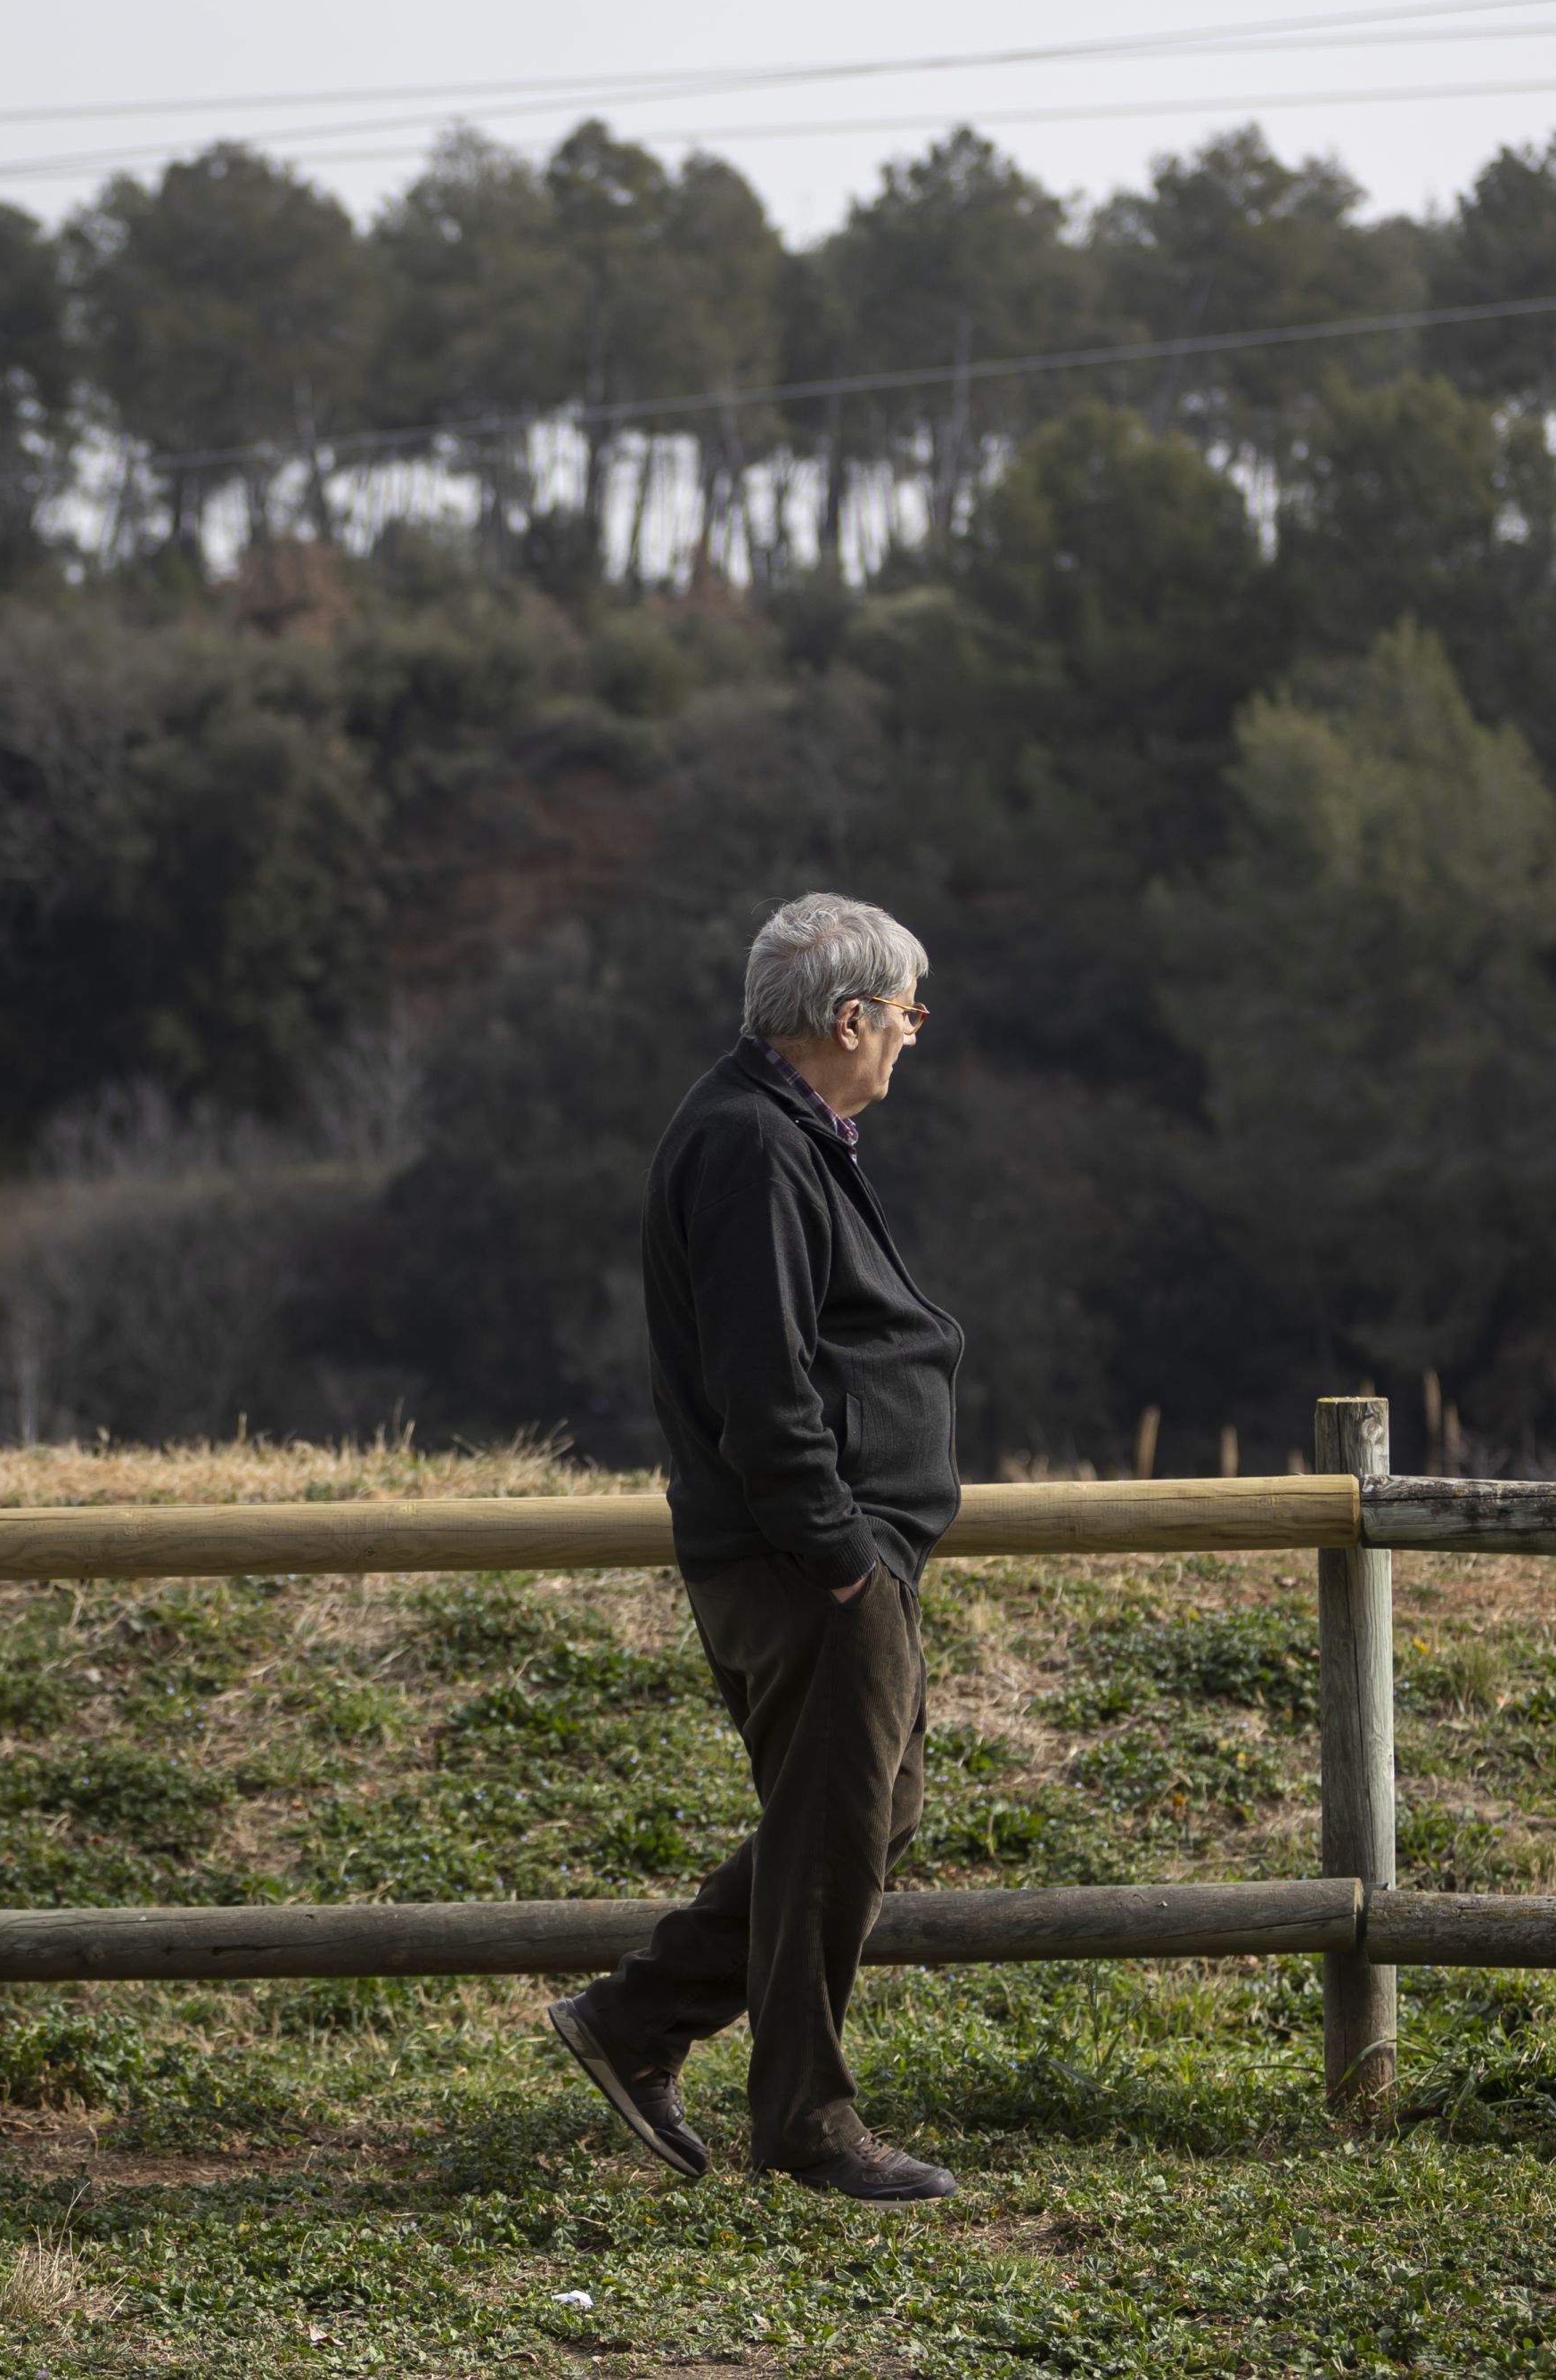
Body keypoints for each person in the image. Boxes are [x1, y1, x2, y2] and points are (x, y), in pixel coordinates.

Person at [545, 891, 966, 2204]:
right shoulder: (755, 1147)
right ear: (849, 1018)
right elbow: (765, 1385)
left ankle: (638, 2020)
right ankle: (804, 2124)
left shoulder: (771, 1130)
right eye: (905, 1012)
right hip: (805, 1563)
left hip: (814, 1551)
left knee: (861, 1815)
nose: (913, 1033)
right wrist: (840, 1552)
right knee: (842, 1830)